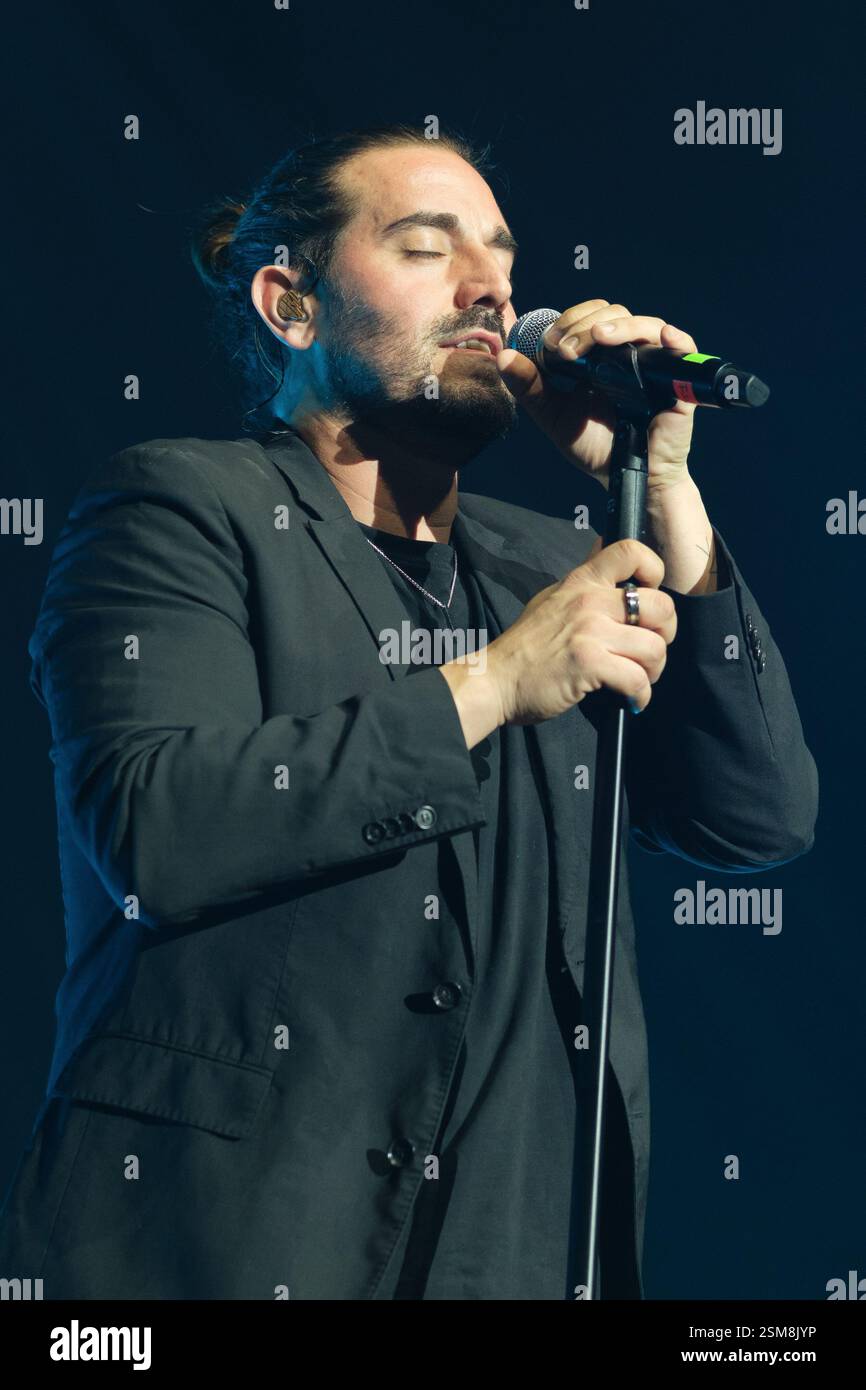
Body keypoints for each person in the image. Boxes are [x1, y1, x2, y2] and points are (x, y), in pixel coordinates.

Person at [0, 124, 818, 1300]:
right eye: (428, 249)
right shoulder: (180, 507)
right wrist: (494, 681)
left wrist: (667, 500)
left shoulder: (549, 565)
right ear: (290, 303)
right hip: (228, 1243)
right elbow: (155, 829)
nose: (488, 288)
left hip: (511, 1246)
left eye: (501, 261)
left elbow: (757, 818)